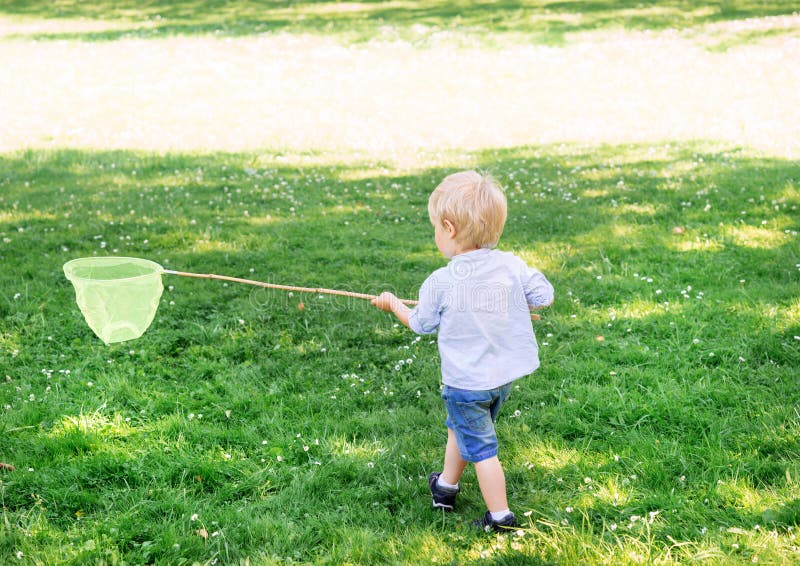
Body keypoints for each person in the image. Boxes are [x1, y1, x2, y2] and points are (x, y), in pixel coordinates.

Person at [371, 170, 554, 531]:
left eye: (435, 228)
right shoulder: (510, 265)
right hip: (500, 380)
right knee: (460, 429)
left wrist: (393, 305)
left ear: (449, 228)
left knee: (483, 451)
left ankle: (500, 517)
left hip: (467, 384)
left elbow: (421, 323)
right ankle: (445, 487)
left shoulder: (442, 281)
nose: (435, 235)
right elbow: (544, 295)